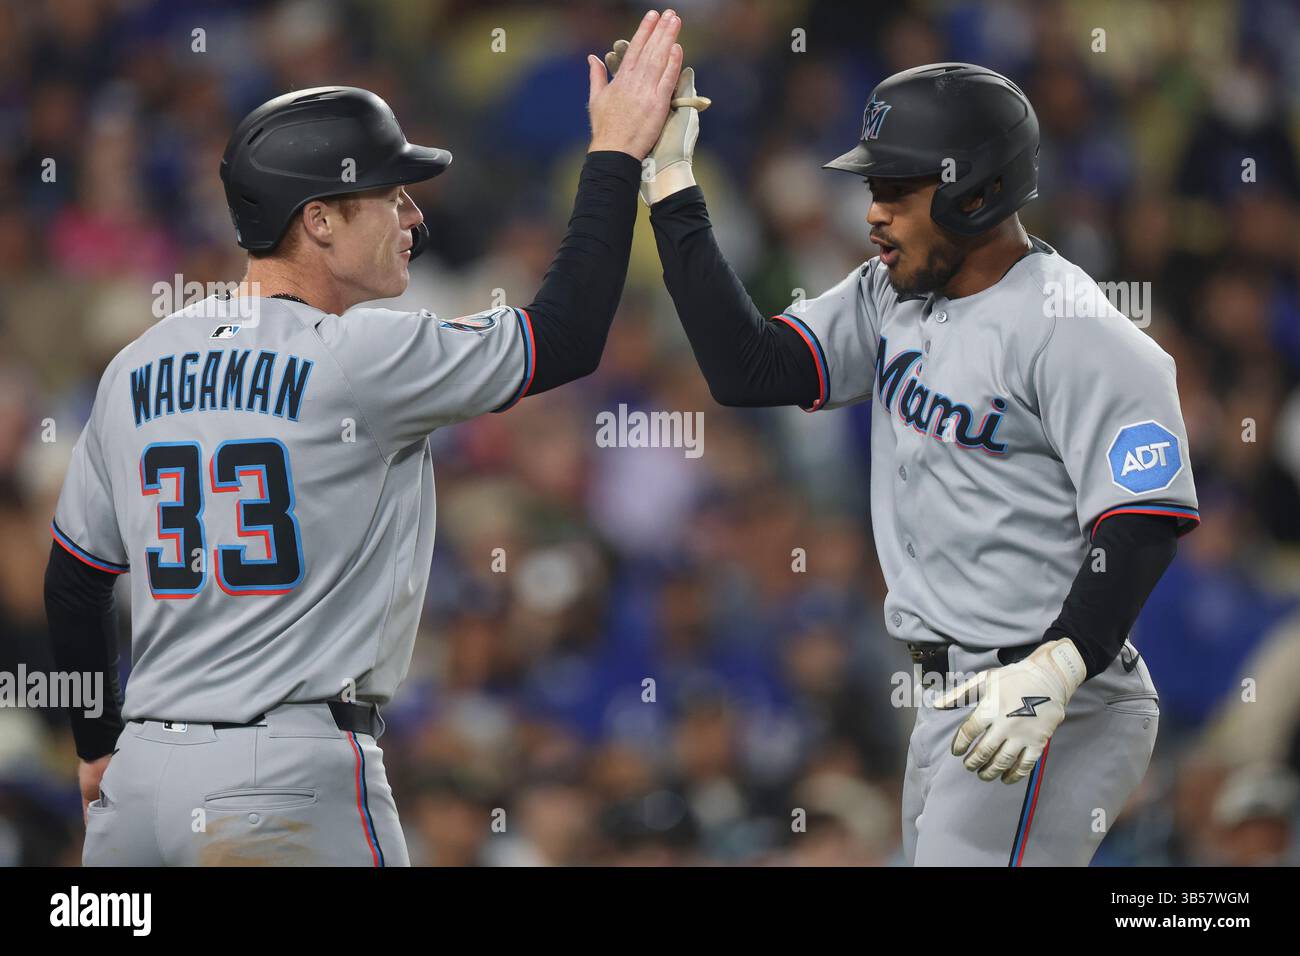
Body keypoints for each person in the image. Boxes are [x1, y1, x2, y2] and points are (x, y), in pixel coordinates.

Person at [43, 8, 686, 866]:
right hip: (283, 782)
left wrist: (96, 746)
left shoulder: (137, 365)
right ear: (318, 220)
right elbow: (564, 338)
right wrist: (615, 156)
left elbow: (76, 580)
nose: (414, 216)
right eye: (390, 195)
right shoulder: (361, 352)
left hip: (141, 793)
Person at [638, 60, 1200, 865]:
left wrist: (1061, 664)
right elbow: (750, 369)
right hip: (947, 696)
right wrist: (669, 182)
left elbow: (1144, 521)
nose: (873, 213)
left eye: (897, 190)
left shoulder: (1074, 326)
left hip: (1051, 698)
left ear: (974, 191)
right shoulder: (891, 294)